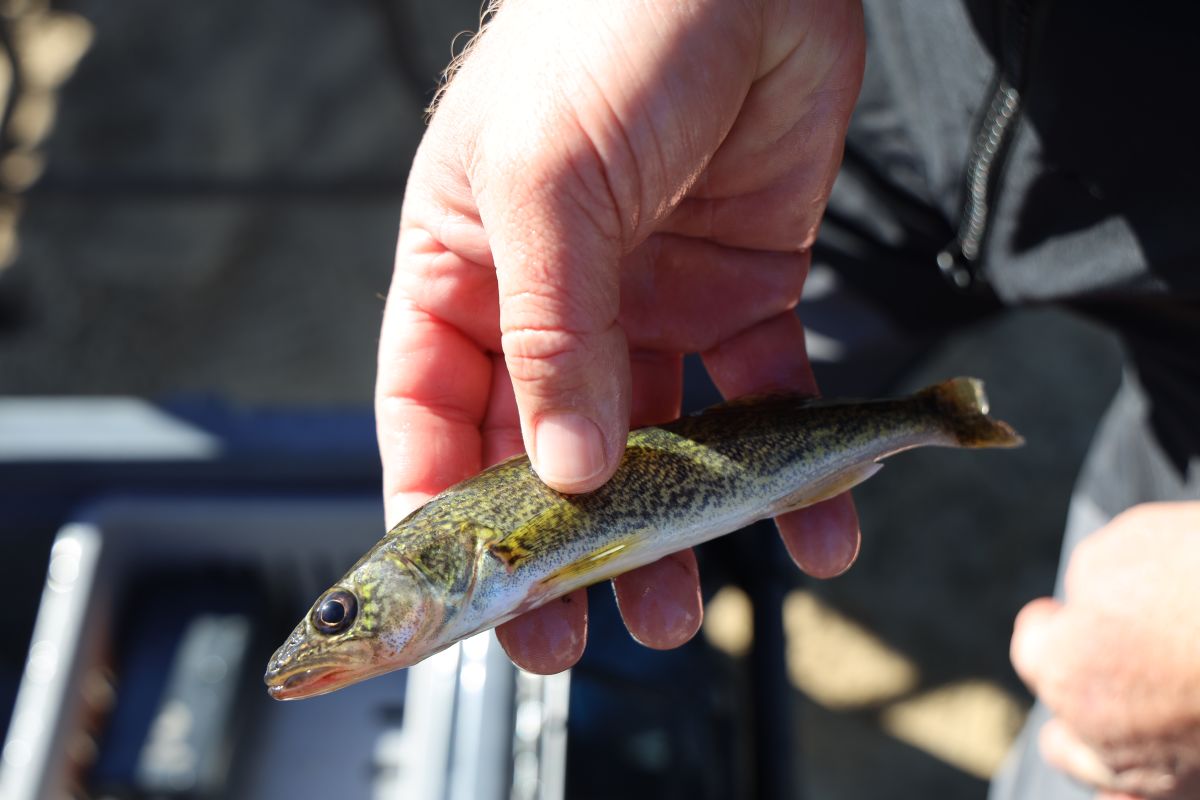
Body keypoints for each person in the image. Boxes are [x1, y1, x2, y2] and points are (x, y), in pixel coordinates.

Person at [374, 1, 1200, 797]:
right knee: (686, 343)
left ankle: (900, 435)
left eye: (343, 614)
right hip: (831, 103)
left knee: (1103, 735)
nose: (341, 629)